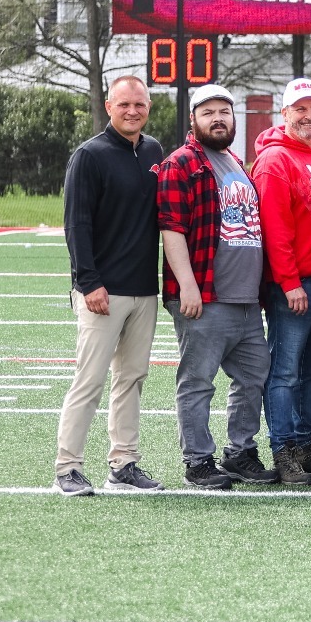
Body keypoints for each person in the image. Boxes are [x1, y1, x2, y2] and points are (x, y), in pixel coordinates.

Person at [154, 84, 276, 490]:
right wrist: (186, 287)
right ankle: (198, 461)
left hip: (244, 300)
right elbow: (172, 230)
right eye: (208, 113)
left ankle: (239, 452)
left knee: (254, 375)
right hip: (205, 297)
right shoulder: (182, 163)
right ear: (193, 119)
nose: (218, 118)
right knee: (197, 381)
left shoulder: (234, 162)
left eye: (225, 111)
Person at [55, 75, 165, 496]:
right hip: (102, 290)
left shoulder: (154, 151)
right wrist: (89, 283)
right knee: (90, 379)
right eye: (125, 105)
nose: (133, 111)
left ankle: (123, 463)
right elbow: (76, 224)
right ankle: (67, 467)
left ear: (148, 107)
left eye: (140, 104)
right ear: (109, 107)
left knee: (132, 378)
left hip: (143, 290)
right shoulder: (89, 155)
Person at [250, 77, 311, 486]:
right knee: (285, 371)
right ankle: (283, 450)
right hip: (297, 284)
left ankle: (306, 447)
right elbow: (275, 228)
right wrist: (288, 283)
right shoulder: (274, 161)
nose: (309, 116)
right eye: (299, 109)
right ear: (284, 113)